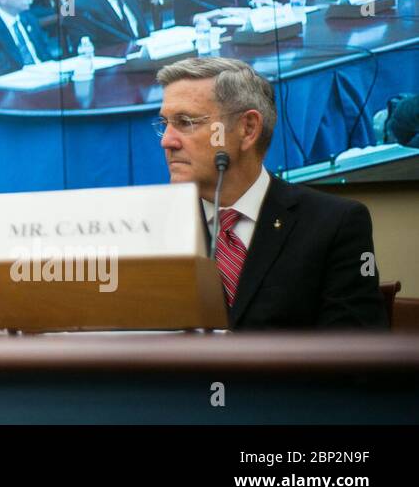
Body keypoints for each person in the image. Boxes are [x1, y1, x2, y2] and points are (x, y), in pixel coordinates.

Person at [155, 57, 387, 329]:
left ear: (248, 129)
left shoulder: (335, 225)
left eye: (186, 122)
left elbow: (354, 353)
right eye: (164, 123)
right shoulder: (152, 228)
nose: (166, 141)